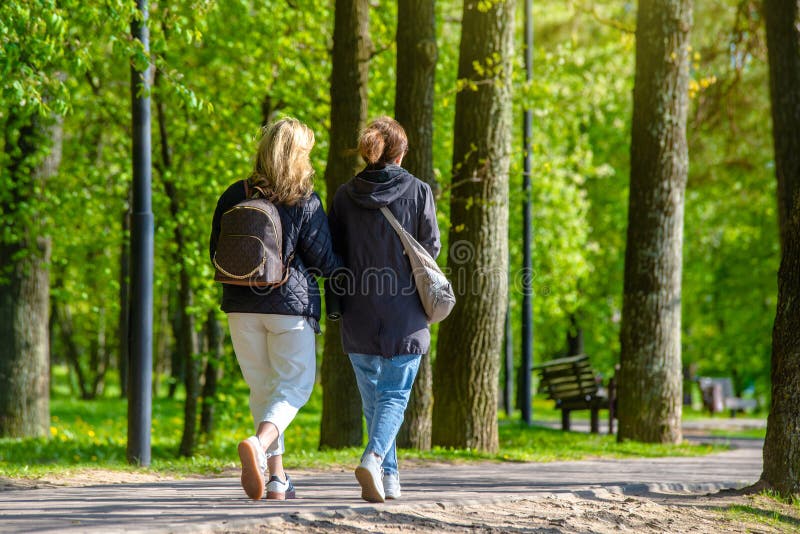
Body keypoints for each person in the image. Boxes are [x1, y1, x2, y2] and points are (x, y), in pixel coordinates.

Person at [209, 118, 340, 500]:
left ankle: (277, 479)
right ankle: (259, 443)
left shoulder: (234, 194)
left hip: (239, 307)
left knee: (263, 390)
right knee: (294, 387)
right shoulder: (304, 199)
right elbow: (324, 263)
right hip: (289, 309)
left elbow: (215, 252)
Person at [328, 116, 441, 503]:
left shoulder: (344, 196)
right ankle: (374, 458)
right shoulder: (420, 191)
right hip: (405, 312)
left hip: (358, 312)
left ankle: (389, 478)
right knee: (393, 396)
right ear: (400, 152)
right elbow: (431, 249)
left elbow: (334, 255)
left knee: (374, 400)